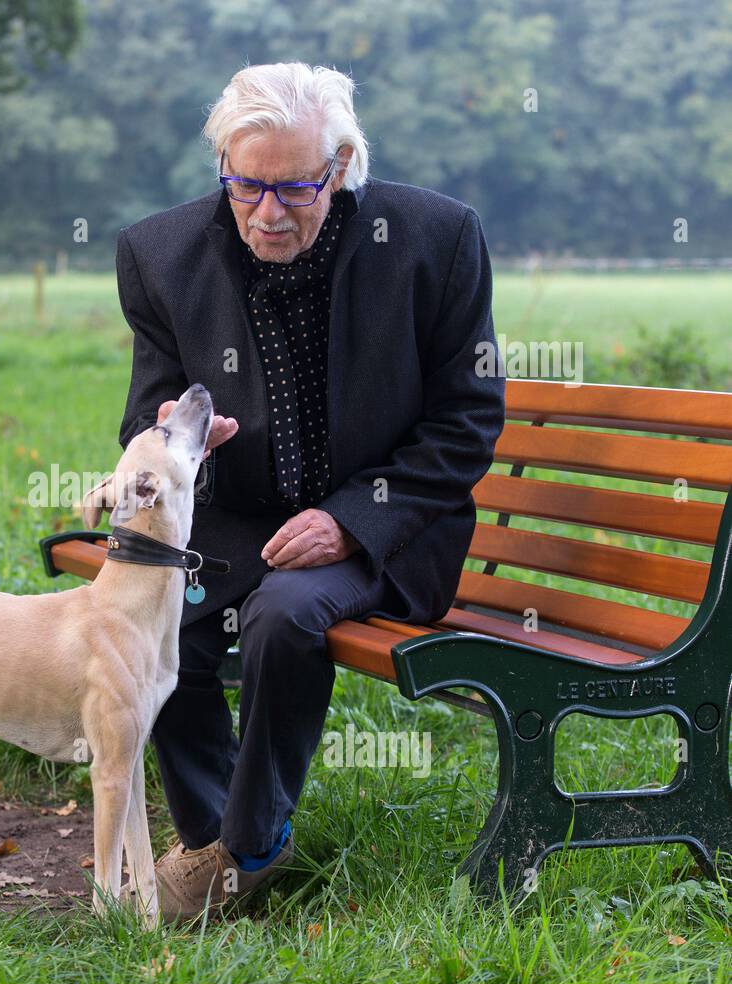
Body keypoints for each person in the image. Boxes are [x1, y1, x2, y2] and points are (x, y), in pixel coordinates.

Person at [114, 61, 505, 921]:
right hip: (237, 513)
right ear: (224, 165)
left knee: (284, 616)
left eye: (294, 188)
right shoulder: (159, 253)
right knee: (160, 607)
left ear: (341, 166)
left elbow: (467, 419)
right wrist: (177, 432)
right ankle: (213, 834)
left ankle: (250, 848)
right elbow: (147, 409)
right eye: (246, 186)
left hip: (390, 525)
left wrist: (352, 520)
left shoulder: (436, 239)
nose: (266, 212)